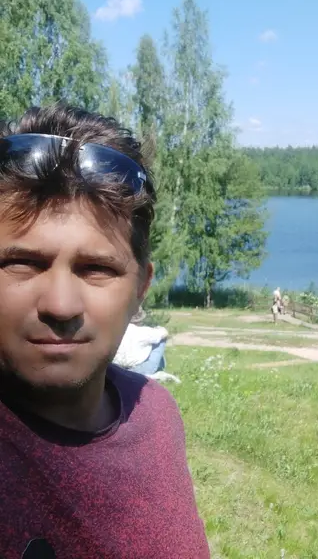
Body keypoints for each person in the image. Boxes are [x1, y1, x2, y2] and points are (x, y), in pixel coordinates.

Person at [0, 104, 209, 558]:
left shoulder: (156, 413)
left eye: (96, 269)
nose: (60, 305)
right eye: (22, 263)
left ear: (140, 289)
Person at [113, 308, 180, 383]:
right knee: (161, 339)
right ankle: (157, 370)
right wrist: (158, 328)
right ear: (140, 320)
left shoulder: (115, 330)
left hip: (117, 369)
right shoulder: (144, 331)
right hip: (140, 370)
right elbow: (165, 333)